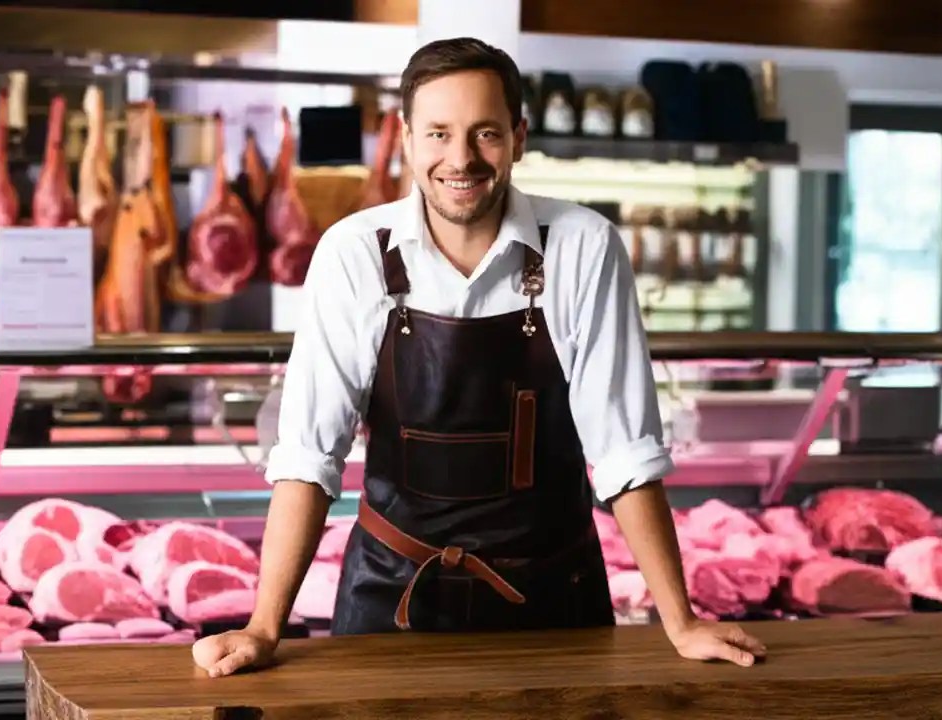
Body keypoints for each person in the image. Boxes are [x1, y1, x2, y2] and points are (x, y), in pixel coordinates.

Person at [192, 37, 767, 677]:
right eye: (438, 133)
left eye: (485, 133)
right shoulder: (352, 253)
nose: (460, 158)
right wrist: (264, 627)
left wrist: (680, 622)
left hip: (554, 601)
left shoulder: (584, 246)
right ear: (407, 138)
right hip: (391, 599)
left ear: (519, 136)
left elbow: (624, 450)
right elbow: (308, 454)